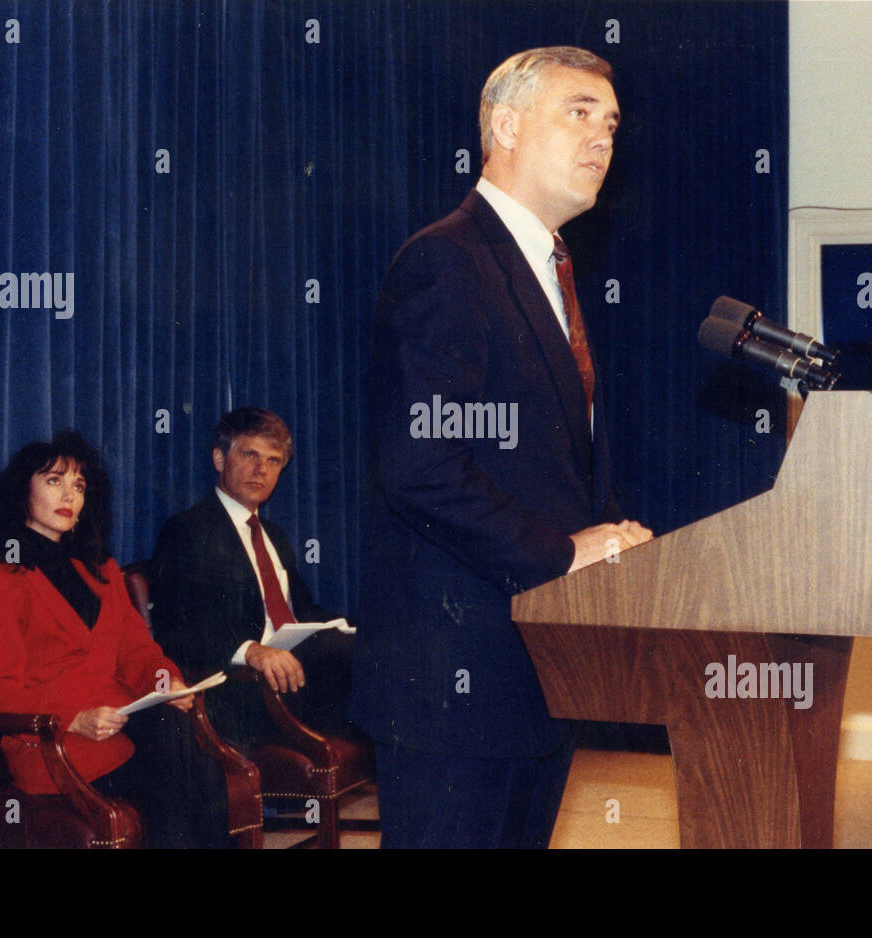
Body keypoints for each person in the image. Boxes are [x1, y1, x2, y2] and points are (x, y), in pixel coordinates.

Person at [351, 46, 653, 848]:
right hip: (455, 680)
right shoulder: (448, 261)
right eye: (579, 113)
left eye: (612, 124)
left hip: (534, 671)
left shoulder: (552, 270)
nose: (602, 140)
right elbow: (422, 467)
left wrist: (614, 535)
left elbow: (554, 462)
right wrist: (562, 552)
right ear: (506, 127)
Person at [0, 429, 233, 848]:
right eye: (54, 481)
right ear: (21, 492)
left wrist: (166, 684)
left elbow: (138, 652)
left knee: (193, 754)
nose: (69, 495)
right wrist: (76, 717)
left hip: (124, 725)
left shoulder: (101, 569)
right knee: (178, 757)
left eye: (79, 486)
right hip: (58, 744)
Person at [150, 407, 355, 750]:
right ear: (219, 458)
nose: (262, 470)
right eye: (250, 454)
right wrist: (250, 651)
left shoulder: (273, 535)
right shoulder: (187, 530)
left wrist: (353, 627)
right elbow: (177, 630)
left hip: (297, 673)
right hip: (242, 688)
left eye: (274, 461)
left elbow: (302, 613)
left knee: (379, 648)